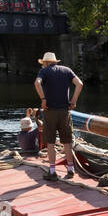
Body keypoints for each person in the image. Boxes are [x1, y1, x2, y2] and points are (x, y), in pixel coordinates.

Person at [34, 51, 82, 181]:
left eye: (43, 63)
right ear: (55, 61)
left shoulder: (44, 72)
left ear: (45, 62)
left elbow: (37, 83)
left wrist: (43, 99)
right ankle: (71, 169)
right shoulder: (67, 70)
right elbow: (79, 84)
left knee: (50, 142)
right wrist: (74, 101)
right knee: (67, 141)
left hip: (50, 111)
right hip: (65, 111)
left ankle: (53, 171)